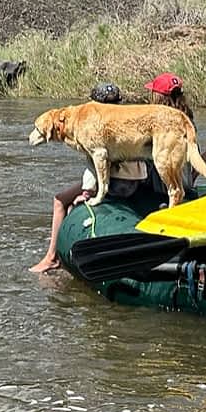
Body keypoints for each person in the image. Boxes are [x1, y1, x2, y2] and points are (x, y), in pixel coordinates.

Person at [32, 81, 145, 273]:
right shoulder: (129, 119)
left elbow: (98, 167)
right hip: (137, 179)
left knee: (60, 201)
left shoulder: (93, 124)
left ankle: (51, 257)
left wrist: (87, 192)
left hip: (117, 183)